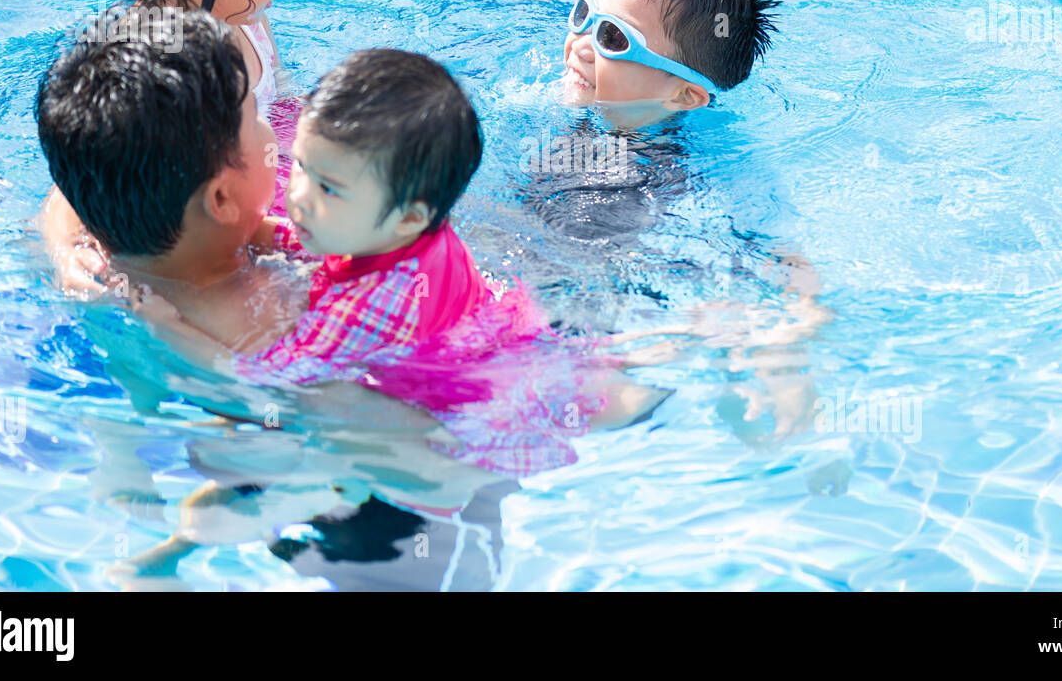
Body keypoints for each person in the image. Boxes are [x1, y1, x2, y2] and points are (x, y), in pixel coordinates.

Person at [130, 48, 670, 475]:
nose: (298, 198)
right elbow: (341, 245)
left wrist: (168, 326)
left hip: (505, 401)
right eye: (299, 167)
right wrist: (278, 237)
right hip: (520, 335)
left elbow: (270, 381)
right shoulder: (404, 227)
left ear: (409, 217)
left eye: (327, 188)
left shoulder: (379, 301)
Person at [42, 0, 308, 293]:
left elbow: (283, 100)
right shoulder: (152, 57)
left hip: (257, 164)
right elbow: (84, 177)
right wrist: (67, 251)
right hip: (220, 200)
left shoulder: (246, 13)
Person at [561, 0, 781, 129]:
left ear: (683, 96)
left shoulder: (644, 172)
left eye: (613, 36)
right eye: (585, 14)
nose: (581, 47)